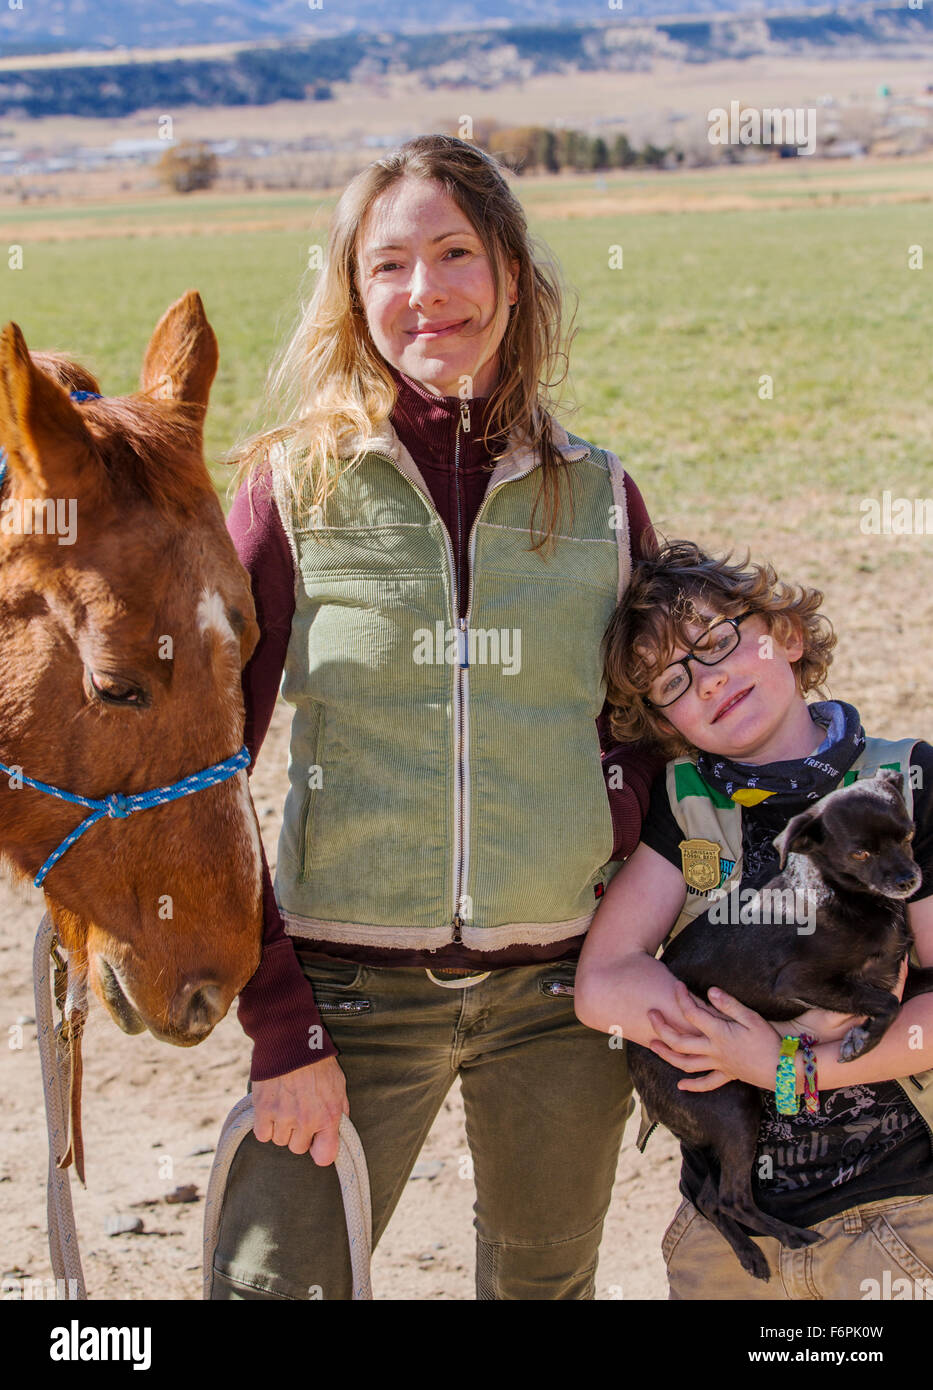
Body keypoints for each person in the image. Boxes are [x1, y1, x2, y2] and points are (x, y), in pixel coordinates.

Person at [210, 134, 661, 1301]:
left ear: (509, 275)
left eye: (456, 252)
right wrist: (280, 1023)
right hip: (345, 994)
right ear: (353, 295)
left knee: (542, 1288)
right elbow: (205, 780)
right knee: (270, 1291)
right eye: (389, 264)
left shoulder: (602, 495)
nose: (427, 291)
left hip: (565, 1000)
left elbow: (649, 750)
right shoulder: (287, 491)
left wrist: (637, 936)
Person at [575, 539, 933, 1299]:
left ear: (787, 635)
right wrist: (726, 1042)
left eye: (715, 642)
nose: (705, 682)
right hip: (728, 1242)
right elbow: (602, 984)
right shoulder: (687, 813)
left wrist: (782, 1063)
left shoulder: (904, 787)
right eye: (671, 682)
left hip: (901, 1214)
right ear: (663, 723)